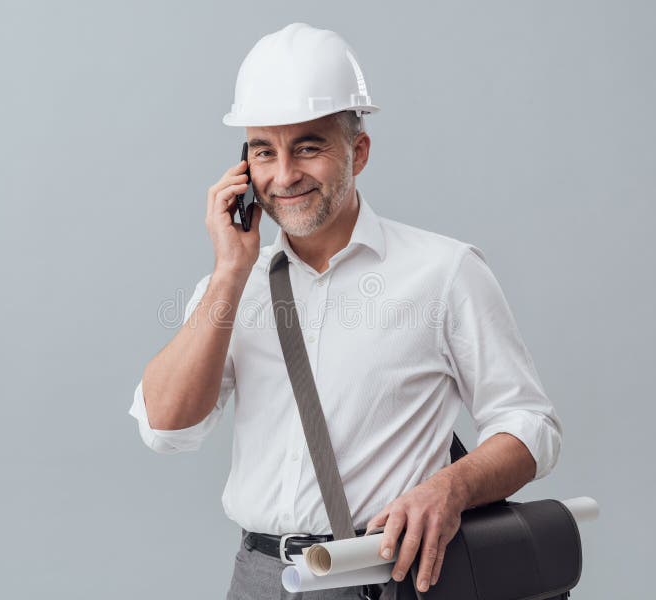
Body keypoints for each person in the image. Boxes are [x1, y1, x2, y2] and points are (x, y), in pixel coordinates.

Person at [128, 22, 563, 600]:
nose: (284, 176)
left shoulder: (445, 272)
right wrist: (231, 271)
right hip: (256, 578)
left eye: (308, 146)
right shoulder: (233, 286)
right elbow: (166, 429)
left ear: (357, 151)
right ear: (243, 167)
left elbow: (531, 425)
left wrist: (451, 488)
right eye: (264, 151)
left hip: (381, 574)